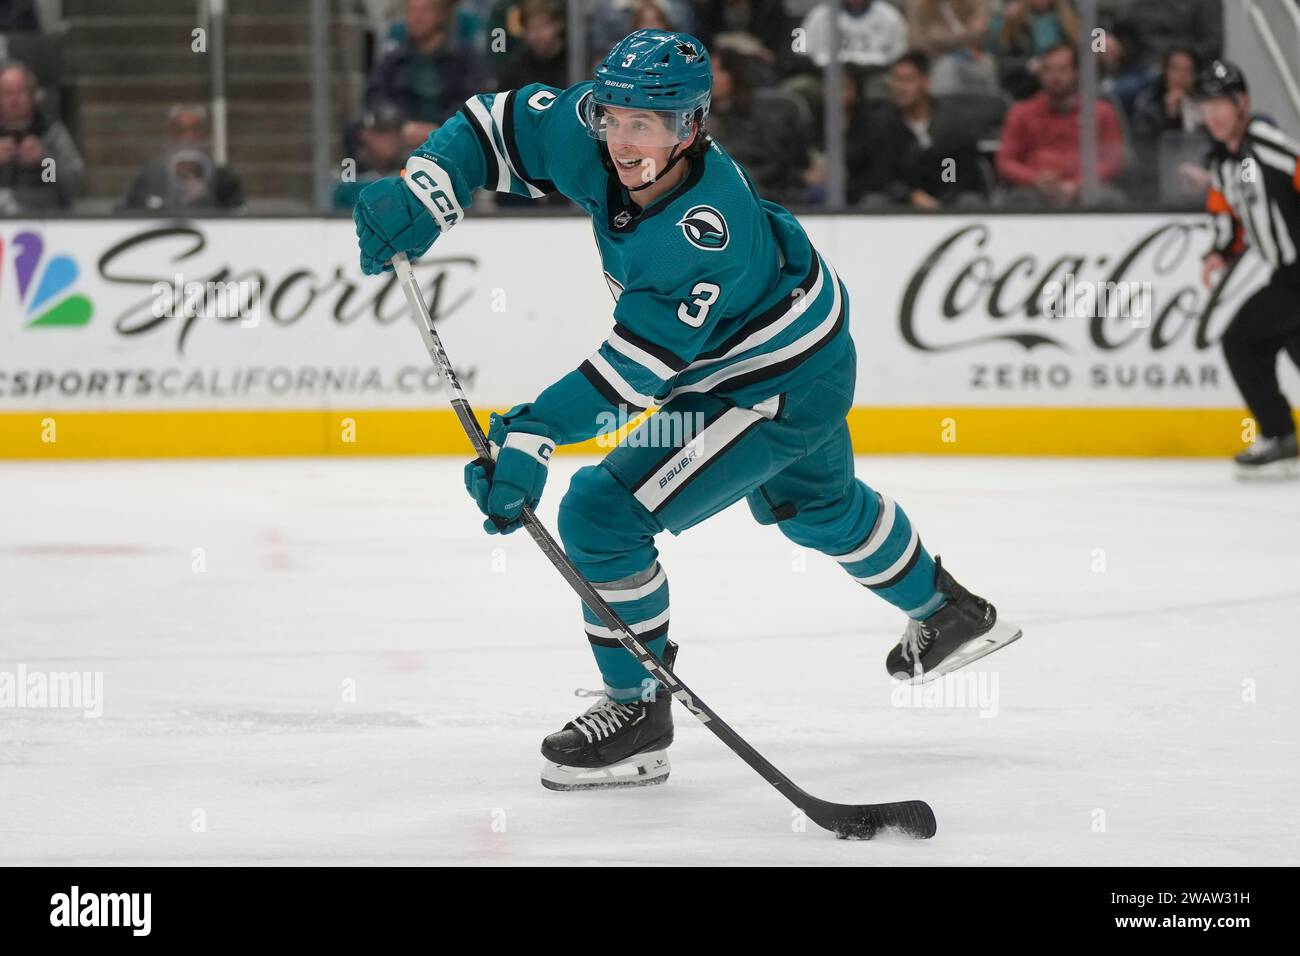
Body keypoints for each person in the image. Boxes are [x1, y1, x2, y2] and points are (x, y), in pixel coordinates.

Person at [353, 30, 1021, 790]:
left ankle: (637, 713)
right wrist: (427, 189)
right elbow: (488, 126)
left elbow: (630, 381)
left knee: (601, 515)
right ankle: (949, 611)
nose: (624, 140)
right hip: (809, 351)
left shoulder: (705, 232)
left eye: (648, 124)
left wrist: (535, 434)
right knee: (815, 505)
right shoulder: (594, 128)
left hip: (767, 386)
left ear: (691, 127)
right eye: (614, 116)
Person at [1197, 60, 1300, 478]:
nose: (1213, 115)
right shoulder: (1223, 162)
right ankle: (1280, 438)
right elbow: (1230, 212)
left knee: (1243, 341)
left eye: (1221, 104)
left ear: (1242, 103)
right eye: (1206, 106)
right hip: (1286, 276)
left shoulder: (1264, 141)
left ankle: (1279, 436)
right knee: (1262, 343)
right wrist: (1219, 251)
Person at [995, 43, 1126, 208]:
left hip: (1086, 189)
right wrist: (1034, 178)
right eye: (1048, 70)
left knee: (1109, 200)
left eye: (1063, 70)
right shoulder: (1021, 113)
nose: (1054, 77)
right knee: (1019, 202)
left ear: (1077, 72)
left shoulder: (1101, 112)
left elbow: (1114, 160)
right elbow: (1005, 161)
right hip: (1034, 192)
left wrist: (1079, 183)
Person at [122, 104, 245, 212]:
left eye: (195, 129)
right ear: (169, 134)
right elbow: (128, 214)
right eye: (180, 130)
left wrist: (205, 199)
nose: (188, 137)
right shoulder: (149, 177)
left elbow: (237, 220)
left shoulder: (223, 179)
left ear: (205, 134)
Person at [0, 59, 84, 212]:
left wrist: (45, 160)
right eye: (7, 93)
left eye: (21, 92)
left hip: (43, 218)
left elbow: (73, 186)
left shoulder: (52, 132)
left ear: (33, 96)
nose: (14, 100)